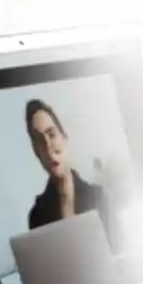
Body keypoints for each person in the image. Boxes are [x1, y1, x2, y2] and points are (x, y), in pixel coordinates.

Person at [25, 99, 106, 231]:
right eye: (40, 140)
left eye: (51, 135)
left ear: (64, 138)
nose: (48, 146)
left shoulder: (99, 197)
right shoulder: (37, 216)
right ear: (36, 153)